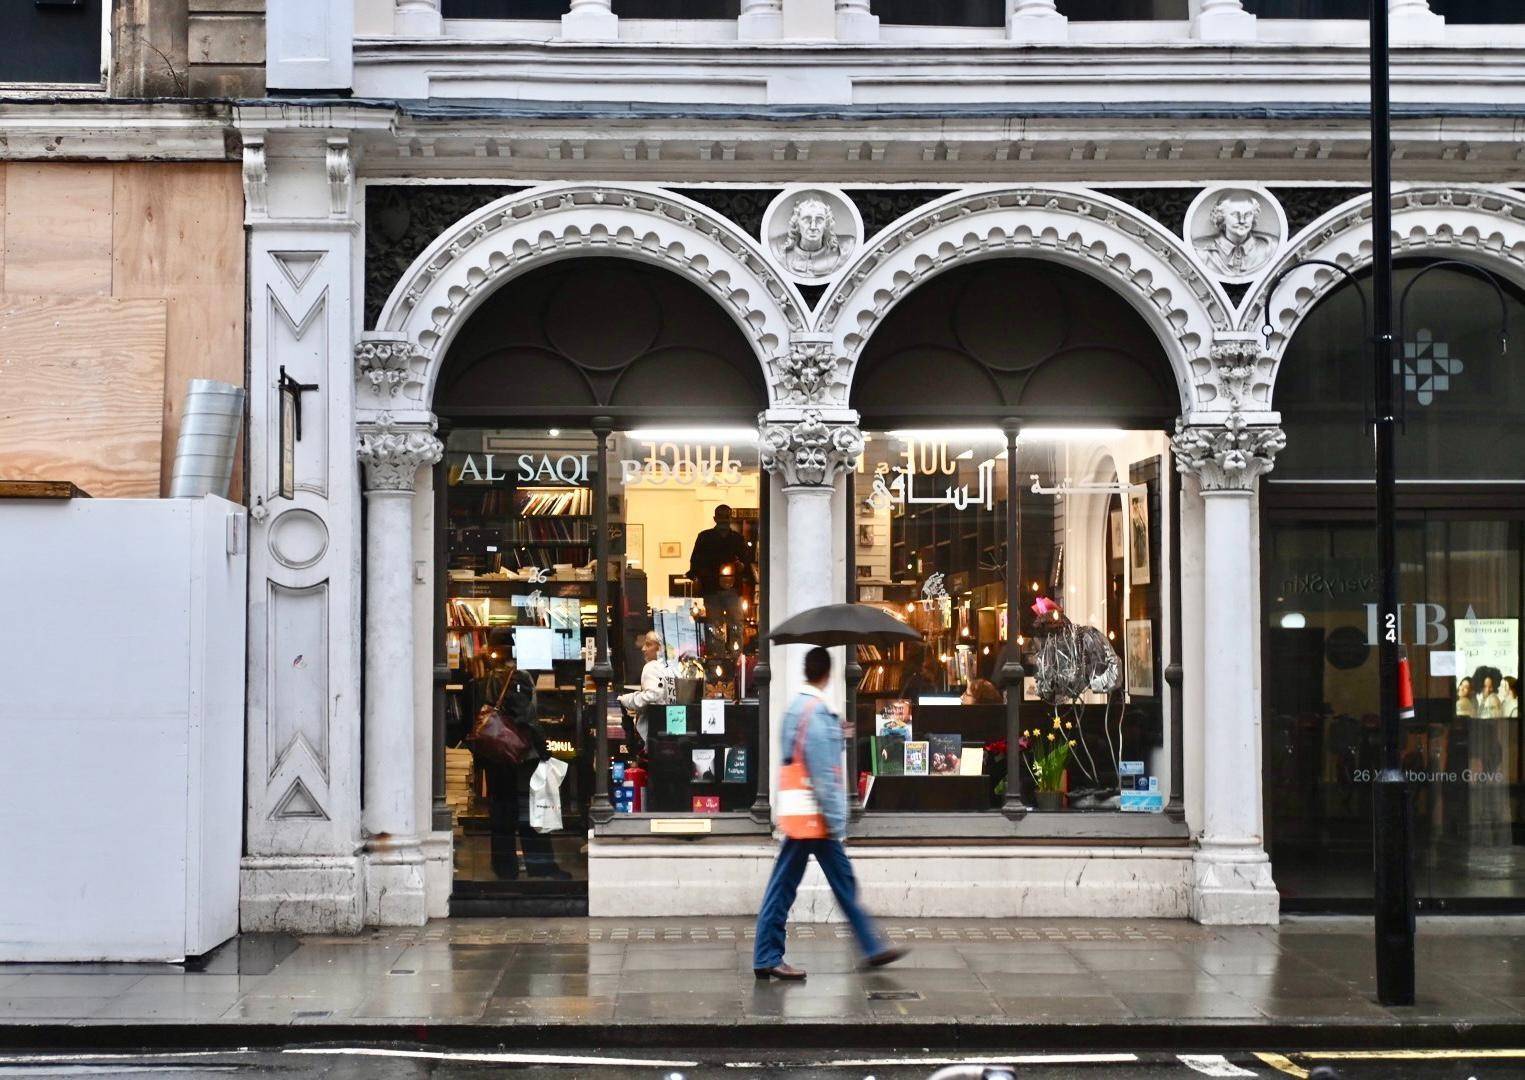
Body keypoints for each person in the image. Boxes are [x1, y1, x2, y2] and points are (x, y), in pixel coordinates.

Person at [753, 647, 906, 980]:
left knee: (824, 882)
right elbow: (822, 773)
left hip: (802, 813)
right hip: (816, 817)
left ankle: (871, 946)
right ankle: (768, 954)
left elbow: (794, 753)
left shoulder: (795, 708)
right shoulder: (817, 712)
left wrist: (836, 734)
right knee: (798, 885)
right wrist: (837, 822)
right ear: (827, 674)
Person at [472, 629, 569, 881]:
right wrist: (544, 748)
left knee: (501, 810)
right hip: (520, 753)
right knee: (531, 809)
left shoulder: (486, 676)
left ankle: (504, 867)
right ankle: (540, 865)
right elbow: (527, 717)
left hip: (496, 753)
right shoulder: (519, 677)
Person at [688, 505, 753, 658]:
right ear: (715, 519)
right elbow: (696, 561)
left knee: (736, 624)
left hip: (732, 589)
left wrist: (740, 566)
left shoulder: (737, 539)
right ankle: (717, 658)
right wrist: (700, 575)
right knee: (714, 626)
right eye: (721, 517)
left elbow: (746, 562)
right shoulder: (705, 537)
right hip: (712, 589)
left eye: (726, 517)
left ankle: (736, 657)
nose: (724, 521)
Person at [617, 630, 669, 749]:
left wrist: (626, 700)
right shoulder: (672, 668)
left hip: (653, 736)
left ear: (660, 648)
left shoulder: (651, 667)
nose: (643, 649)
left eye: (648, 644)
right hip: (671, 732)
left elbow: (653, 694)